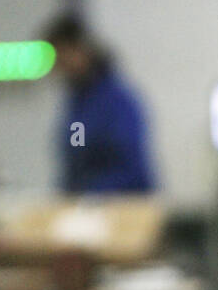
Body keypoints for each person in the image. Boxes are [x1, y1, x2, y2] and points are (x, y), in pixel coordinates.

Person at [43, 13, 156, 194]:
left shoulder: (117, 101)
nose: (60, 67)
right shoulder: (76, 104)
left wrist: (92, 191)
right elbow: (76, 151)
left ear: (80, 50)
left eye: (63, 57)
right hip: (86, 203)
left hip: (125, 205)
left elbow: (129, 167)